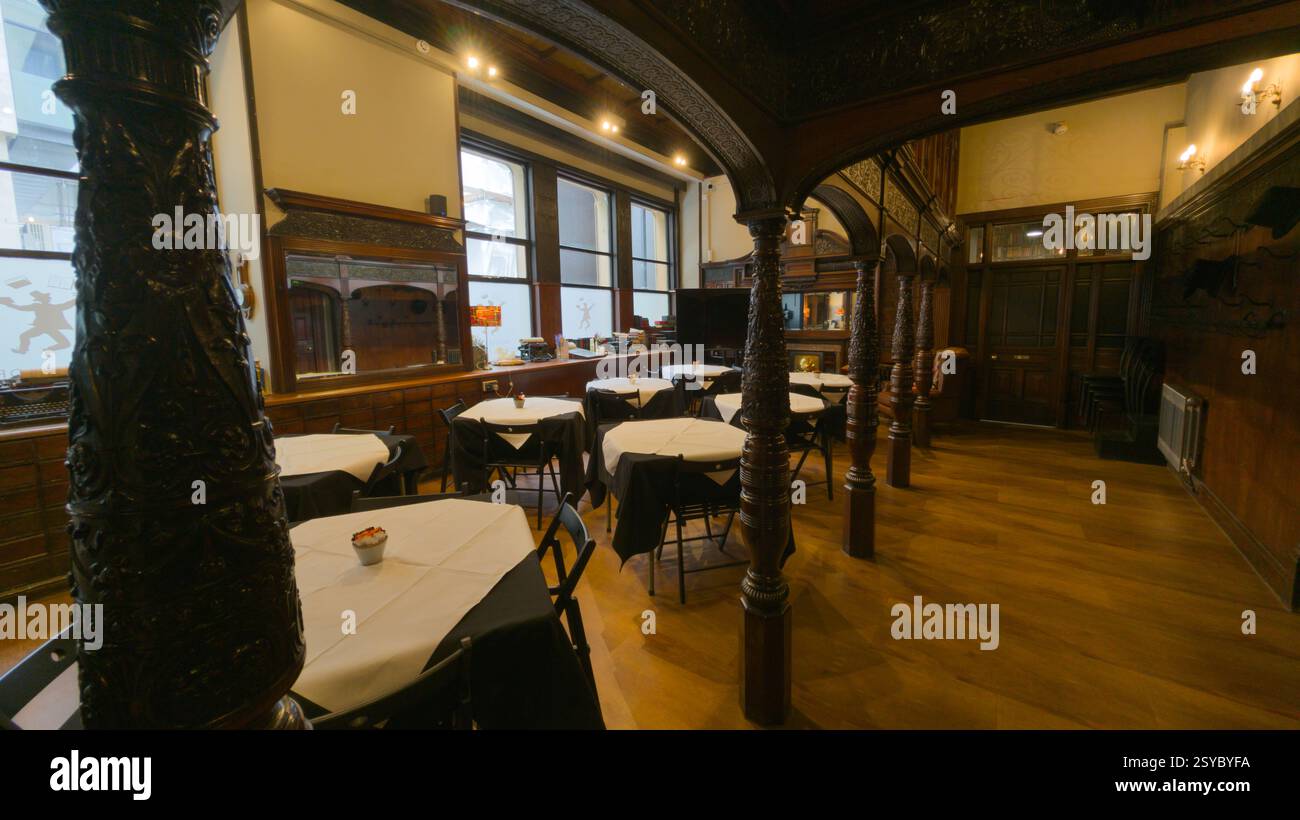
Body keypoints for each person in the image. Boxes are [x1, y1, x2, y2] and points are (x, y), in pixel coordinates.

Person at [0, 291, 75, 354]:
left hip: (49, 328)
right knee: (24, 336)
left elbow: (68, 304)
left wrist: (78, 298)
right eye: (43, 298)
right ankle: (23, 350)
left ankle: (47, 349)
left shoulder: (54, 307)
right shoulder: (37, 306)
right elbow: (21, 308)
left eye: (46, 298)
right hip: (42, 327)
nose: (46, 300)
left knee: (65, 343)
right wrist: (8, 304)